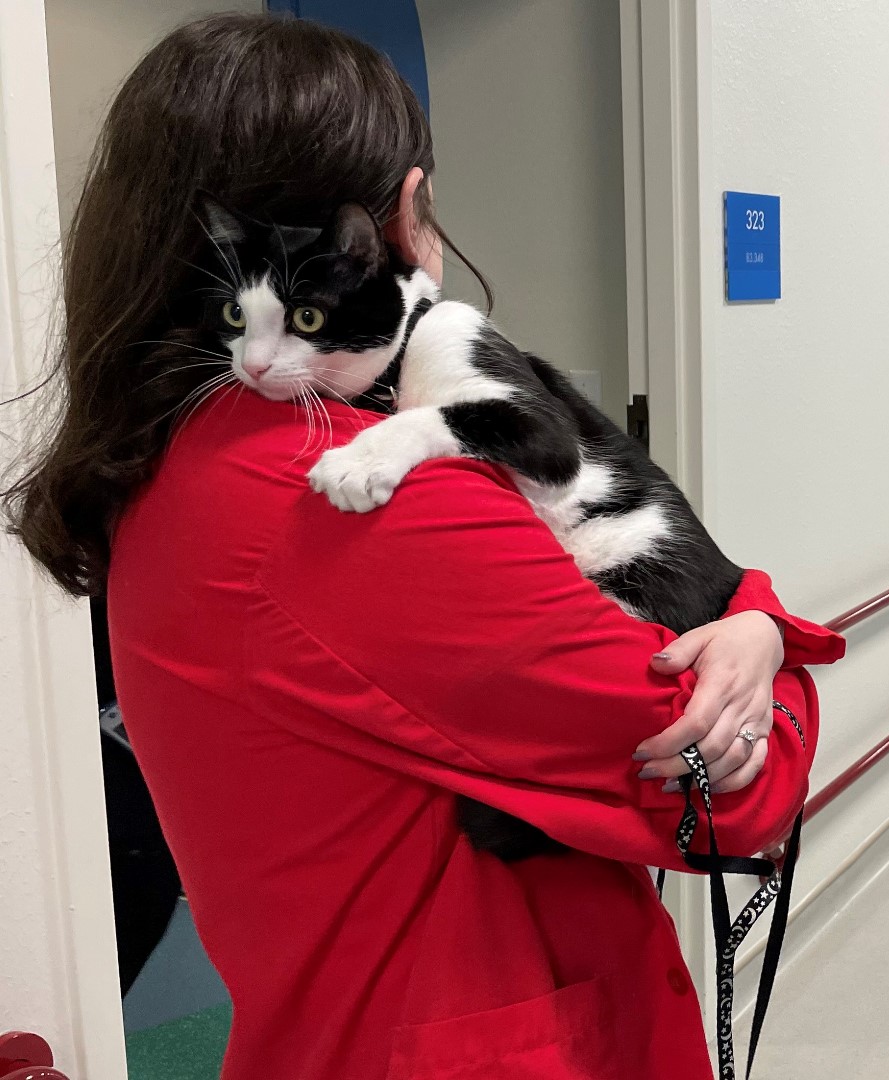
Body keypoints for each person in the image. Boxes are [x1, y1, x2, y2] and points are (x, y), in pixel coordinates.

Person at [1, 13, 841, 1079]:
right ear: (405, 214)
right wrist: (759, 626)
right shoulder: (350, 505)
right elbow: (733, 793)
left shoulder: (177, 471)